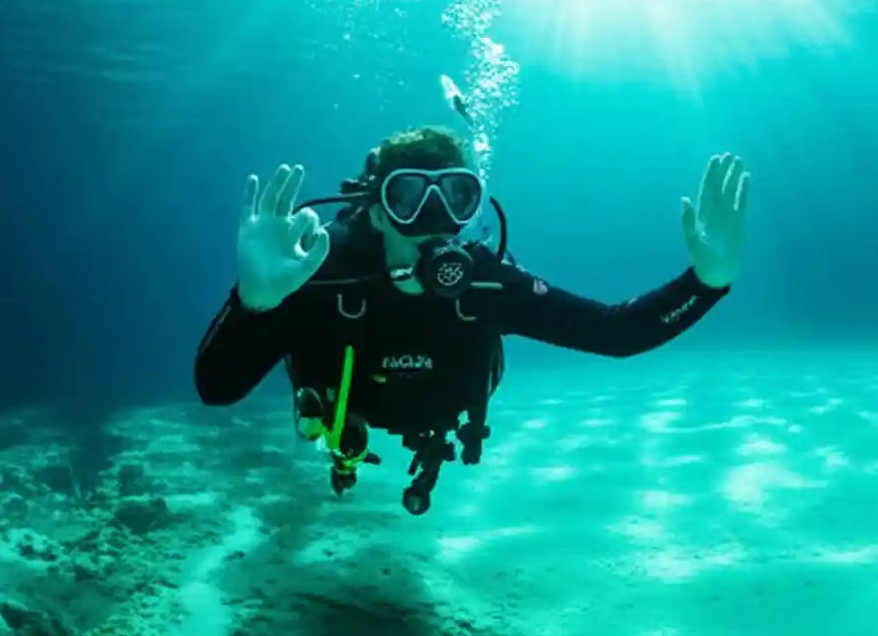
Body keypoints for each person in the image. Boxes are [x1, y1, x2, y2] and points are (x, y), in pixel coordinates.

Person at [194, 125, 750, 515]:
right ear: (377, 208)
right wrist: (255, 304)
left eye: (458, 197)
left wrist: (707, 283)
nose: (435, 219)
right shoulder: (318, 271)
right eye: (409, 195)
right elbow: (217, 389)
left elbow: (617, 332)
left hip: (435, 418)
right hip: (345, 413)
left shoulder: (486, 283)